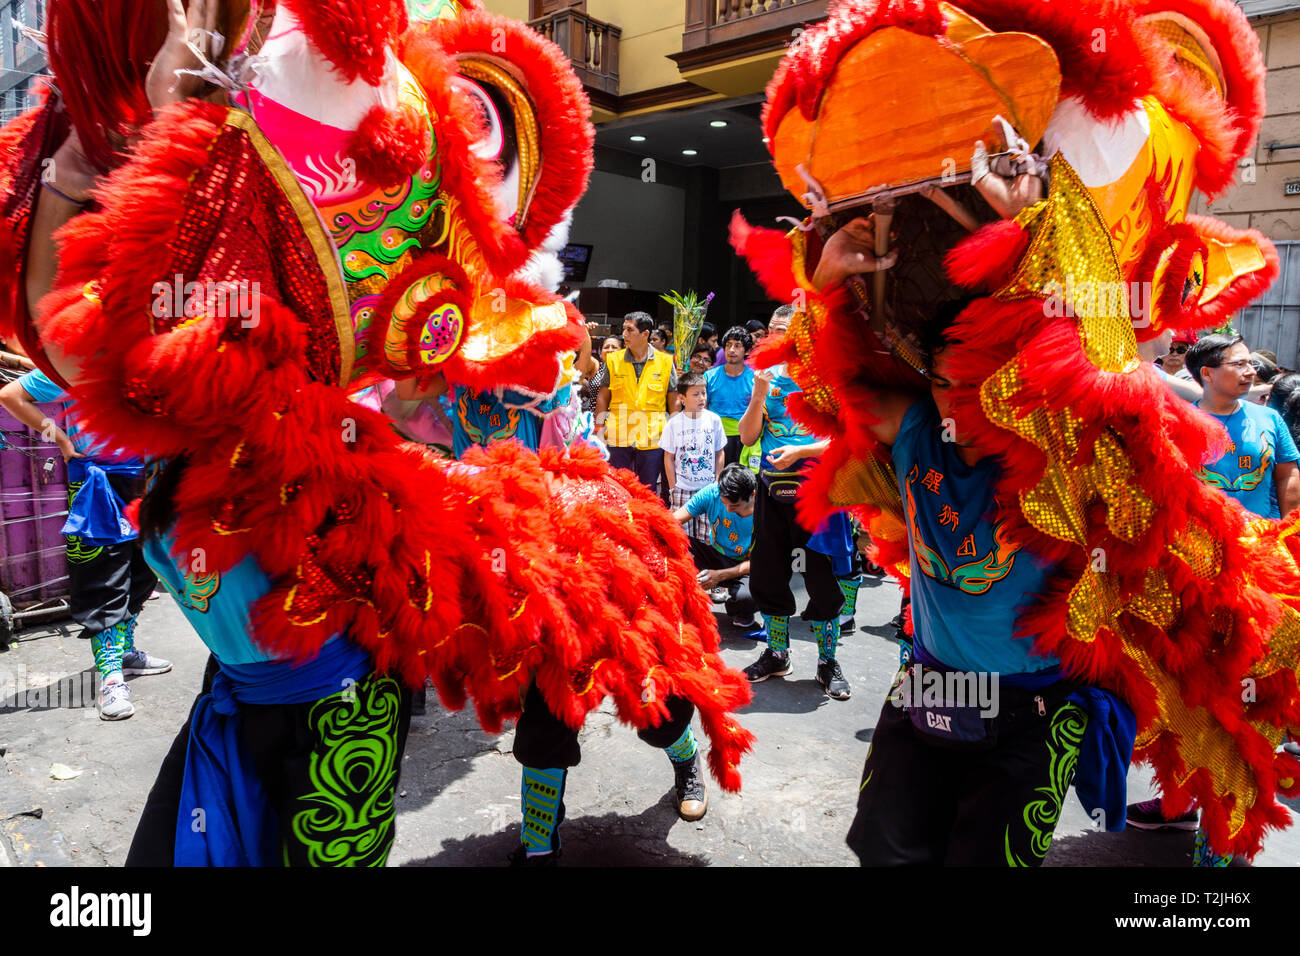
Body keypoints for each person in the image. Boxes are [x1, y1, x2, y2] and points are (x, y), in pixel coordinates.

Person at [0, 370, 168, 720]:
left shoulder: (148, 358)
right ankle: (110, 679)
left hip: (147, 478)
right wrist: (58, 438)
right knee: (102, 579)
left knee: (144, 572)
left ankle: (125, 653)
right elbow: (10, 396)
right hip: (97, 482)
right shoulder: (71, 363)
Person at [738, 306, 849, 700]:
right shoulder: (764, 379)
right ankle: (777, 654)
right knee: (768, 578)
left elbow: (846, 439)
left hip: (817, 495)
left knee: (821, 582)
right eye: (769, 330)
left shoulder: (824, 377)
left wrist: (800, 454)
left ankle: (827, 661)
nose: (772, 338)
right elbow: (748, 438)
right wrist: (757, 395)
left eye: (781, 331)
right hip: (772, 492)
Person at [595, 311, 680, 493]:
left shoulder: (665, 362)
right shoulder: (613, 360)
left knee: (647, 490)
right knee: (617, 488)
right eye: (624, 329)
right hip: (618, 436)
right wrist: (598, 429)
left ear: (645, 334)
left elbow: (674, 401)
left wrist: (674, 433)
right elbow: (603, 396)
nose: (624, 334)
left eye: (629, 330)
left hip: (652, 438)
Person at [674, 464, 759, 629]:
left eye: (734, 507)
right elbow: (674, 520)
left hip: (744, 566)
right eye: (724, 503)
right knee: (677, 543)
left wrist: (720, 576)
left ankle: (738, 608)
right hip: (714, 554)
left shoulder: (765, 512)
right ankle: (683, 600)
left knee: (751, 595)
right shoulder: (712, 492)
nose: (727, 509)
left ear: (752, 495)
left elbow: (760, 561)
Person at [660, 371, 726, 541]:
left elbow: (720, 451)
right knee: (682, 536)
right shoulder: (673, 423)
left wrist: (717, 482)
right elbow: (668, 458)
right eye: (695, 394)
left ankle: (706, 567)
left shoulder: (714, 420)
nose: (701, 398)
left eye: (703, 393)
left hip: (708, 488)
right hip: (682, 490)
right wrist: (673, 487)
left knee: (708, 536)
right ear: (682, 398)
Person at [705, 326, 757, 466]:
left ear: (747, 351)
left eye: (737, 346)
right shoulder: (709, 376)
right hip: (715, 437)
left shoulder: (755, 378)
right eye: (728, 345)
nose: (731, 350)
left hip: (745, 439)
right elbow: (702, 408)